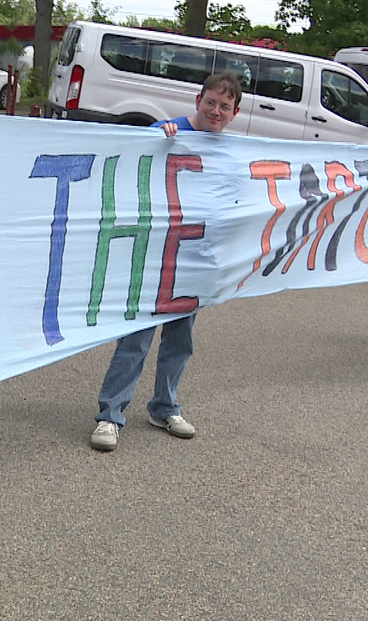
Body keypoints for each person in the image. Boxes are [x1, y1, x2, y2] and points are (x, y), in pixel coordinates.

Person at [90, 71, 243, 452]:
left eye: (225, 106)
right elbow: (128, 158)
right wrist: (158, 137)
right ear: (198, 100)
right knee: (138, 335)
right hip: (155, 254)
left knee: (180, 338)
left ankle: (165, 405)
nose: (216, 111)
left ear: (235, 112)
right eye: (211, 102)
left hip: (194, 256)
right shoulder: (167, 132)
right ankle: (110, 415)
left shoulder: (231, 150)